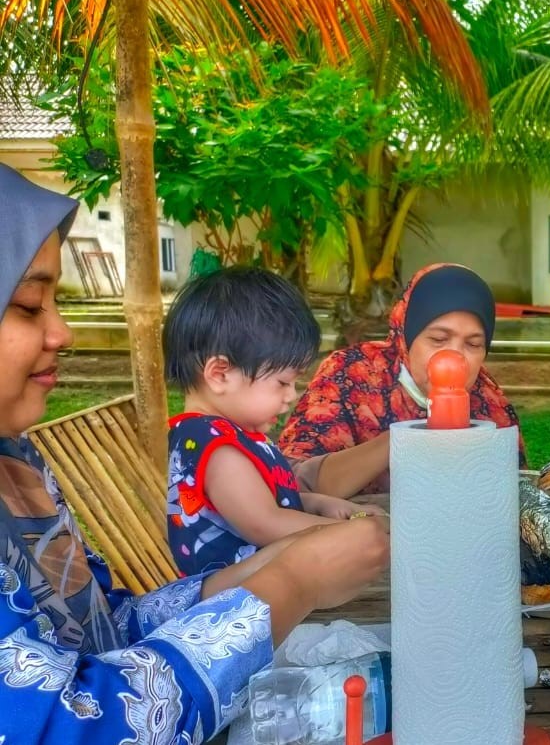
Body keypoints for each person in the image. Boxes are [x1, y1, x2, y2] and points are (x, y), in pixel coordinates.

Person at [0, 164, 388, 742]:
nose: (64, 333)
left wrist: (259, 572)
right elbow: (68, 726)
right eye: (31, 304)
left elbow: (107, 631)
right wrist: (294, 581)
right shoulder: (212, 439)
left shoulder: (15, 465)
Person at [164, 268, 383, 577]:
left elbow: (258, 504)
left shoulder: (233, 434)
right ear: (220, 374)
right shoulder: (215, 446)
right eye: (282, 383)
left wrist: (316, 504)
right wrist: (345, 532)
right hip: (235, 600)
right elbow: (264, 523)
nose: (291, 396)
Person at [278, 263, 527, 496]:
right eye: (438, 339)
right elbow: (292, 483)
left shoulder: (490, 403)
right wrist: (404, 439)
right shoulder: (349, 374)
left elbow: (511, 495)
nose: (454, 357)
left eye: (473, 344)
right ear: (406, 336)